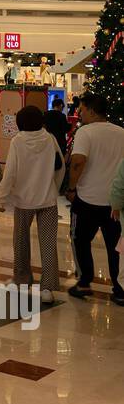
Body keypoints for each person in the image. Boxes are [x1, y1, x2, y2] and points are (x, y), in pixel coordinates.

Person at [0, 104, 63, 304]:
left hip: (24, 200)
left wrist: (1, 197)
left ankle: (21, 279)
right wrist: (54, 188)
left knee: (21, 240)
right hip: (48, 199)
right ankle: (48, 289)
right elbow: (60, 166)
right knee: (49, 244)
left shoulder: (18, 141)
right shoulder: (49, 138)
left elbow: (11, 172)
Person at [66, 92, 124, 302]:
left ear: (91, 110)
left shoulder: (86, 132)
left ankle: (84, 283)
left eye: (81, 109)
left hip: (88, 199)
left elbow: (78, 161)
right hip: (114, 203)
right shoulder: (120, 132)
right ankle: (120, 289)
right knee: (116, 247)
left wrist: (71, 188)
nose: (79, 113)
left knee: (79, 240)